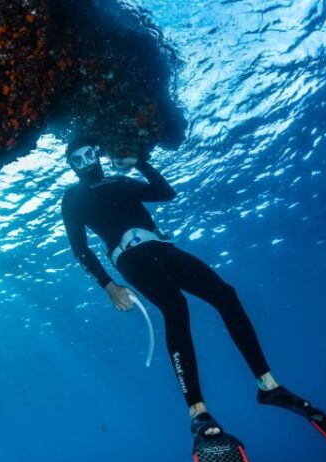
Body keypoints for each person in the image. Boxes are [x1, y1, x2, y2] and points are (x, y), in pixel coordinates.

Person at [60, 137, 292, 437]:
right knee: (175, 307)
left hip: (165, 249)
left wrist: (140, 163)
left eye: (89, 154)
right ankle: (197, 411)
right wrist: (108, 285)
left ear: (97, 153)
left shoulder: (121, 181)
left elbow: (165, 193)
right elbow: (80, 249)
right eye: (76, 159)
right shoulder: (73, 198)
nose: (85, 163)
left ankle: (268, 385)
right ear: (71, 166)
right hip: (130, 258)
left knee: (226, 294)